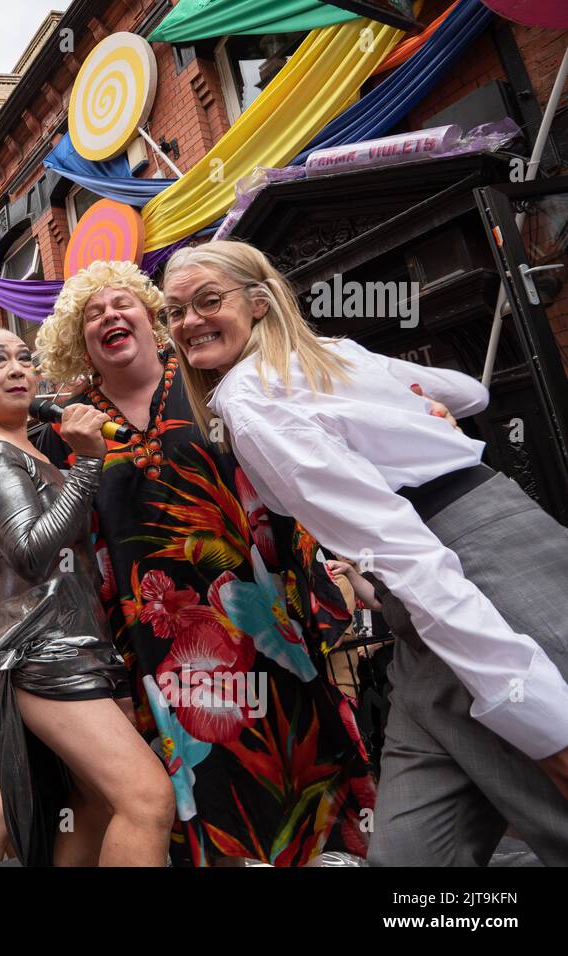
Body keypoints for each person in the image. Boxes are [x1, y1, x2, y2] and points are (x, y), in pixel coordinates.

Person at [0, 259, 376, 866]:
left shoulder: (216, 381)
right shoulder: (62, 430)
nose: (109, 316)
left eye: (121, 304)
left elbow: (297, 467)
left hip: (256, 615)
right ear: (80, 342)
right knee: (179, 789)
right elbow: (38, 539)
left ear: (152, 318)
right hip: (145, 642)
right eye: (92, 315)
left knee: (287, 758)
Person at [164, 239, 568, 864]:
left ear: (261, 303)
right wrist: (425, 411)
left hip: (472, 574)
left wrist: (545, 725)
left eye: (208, 300)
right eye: (175, 310)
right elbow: (468, 393)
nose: (189, 322)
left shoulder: (250, 402)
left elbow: (396, 547)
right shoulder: (332, 356)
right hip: (446, 593)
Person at [0, 328, 175, 865]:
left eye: (26, 359)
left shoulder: (21, 441)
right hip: (44, 651)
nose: (17, 368)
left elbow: (5, 551)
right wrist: (90, 462)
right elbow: (30, 551)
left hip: (71, 641)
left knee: (93, 803)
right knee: (146, 801)